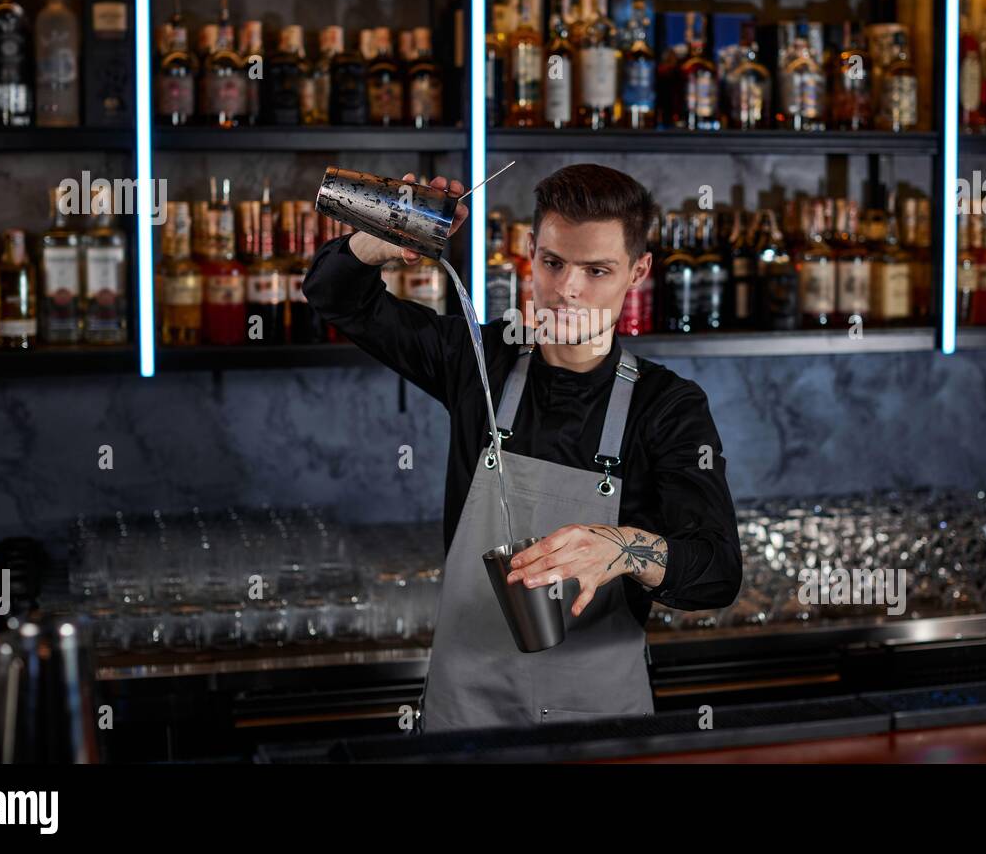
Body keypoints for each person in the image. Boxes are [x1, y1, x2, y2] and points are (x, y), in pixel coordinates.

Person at [302, 162, 741, 732]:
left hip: (600, 726)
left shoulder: (668, 407)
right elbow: (334, 295)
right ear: (530, 250)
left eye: (597, 270)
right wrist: (386, 231)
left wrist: (624, 547)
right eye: (553, 263)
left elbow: (718, 572)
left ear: (639, 271)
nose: (567, 290)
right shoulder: (478, 361)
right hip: (466, 718)